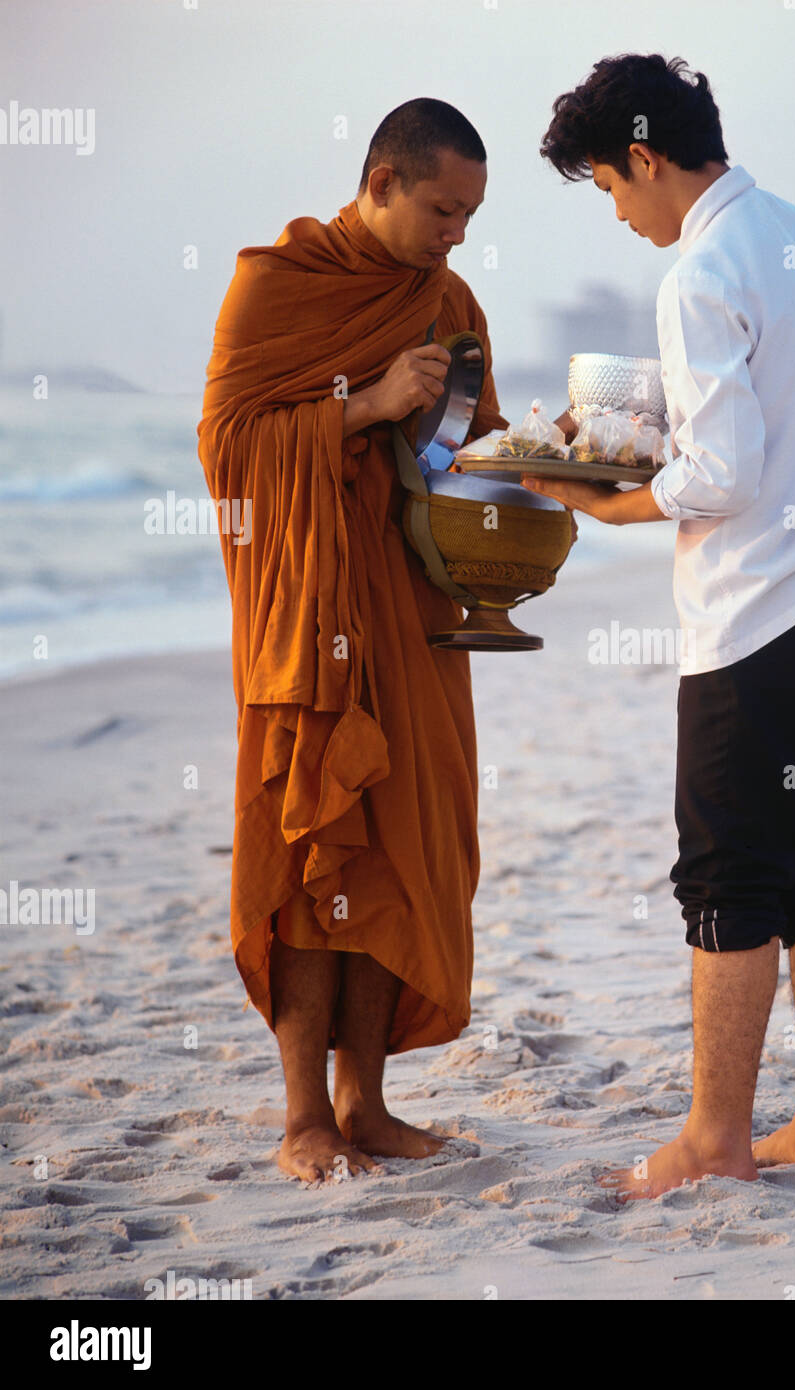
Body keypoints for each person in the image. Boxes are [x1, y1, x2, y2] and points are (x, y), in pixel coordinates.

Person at [529, 55, 795, 1200]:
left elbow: (721, 473)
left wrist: (602, 495)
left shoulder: (696, 272)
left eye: (608, 189)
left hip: (756, 617)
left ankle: (713, 1139)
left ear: (643, 157)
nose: (621, 217)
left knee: (728, 875)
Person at [198, 99, 511, 1183]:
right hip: (304, 612)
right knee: (307, 846)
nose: (454, 234)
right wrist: (366, 400)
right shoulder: (275, 285)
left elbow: (473, 453)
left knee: (397, 843)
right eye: (440, 208)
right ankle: (302, 1119)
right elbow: (229, 450)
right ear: (380, 182)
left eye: (469, 214)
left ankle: (365, 1103)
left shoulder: (447, 298)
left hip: (415, 614)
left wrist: (537, 455)